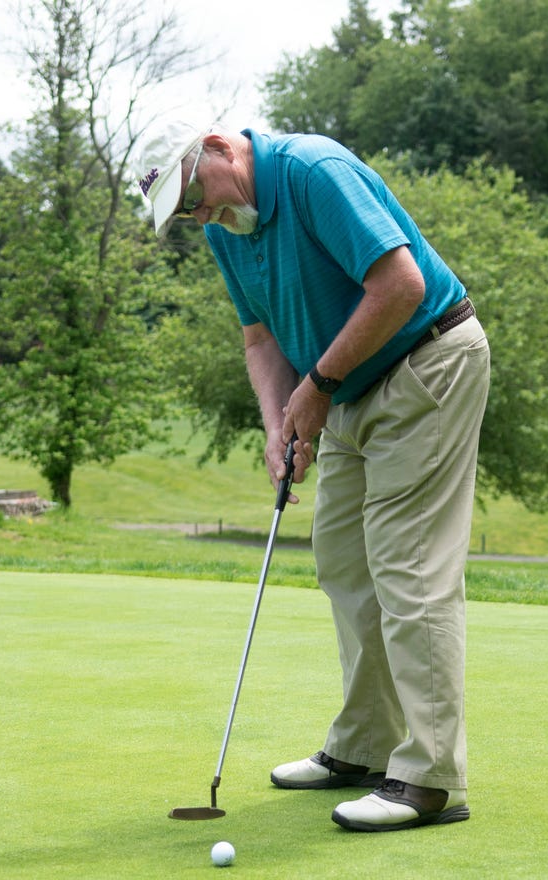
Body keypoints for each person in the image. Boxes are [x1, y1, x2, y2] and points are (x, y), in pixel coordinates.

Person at [137, 119, 490, 832]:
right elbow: (260, 337)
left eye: (192, 195)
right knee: (342, 560)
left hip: (427, 363)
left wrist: (318, 387)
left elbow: (399, 285)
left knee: (407, 566)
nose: (197, 215)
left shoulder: (311, 170)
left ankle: (429, 779)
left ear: (216, 147)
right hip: (351, 391)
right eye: (183, 213)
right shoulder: (225, 233)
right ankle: (362, 746)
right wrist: (279, 425)